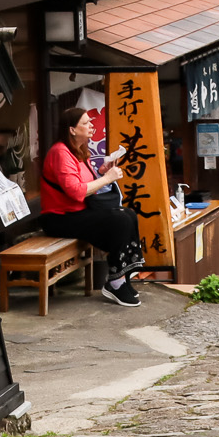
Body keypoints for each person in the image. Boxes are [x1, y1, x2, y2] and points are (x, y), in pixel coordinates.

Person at [40, 106, 146, 307]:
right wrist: (106, 179)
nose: (91, 126)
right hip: (59, 218)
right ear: (72, 129)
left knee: (128, 214)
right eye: (86, 122)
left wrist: (102, 171)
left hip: (78, 212)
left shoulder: (78, 150)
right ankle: (115, 281)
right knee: (119, 219)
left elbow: (84, 182)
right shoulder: (60, 153)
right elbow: (76, 191)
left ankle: (123, 276)